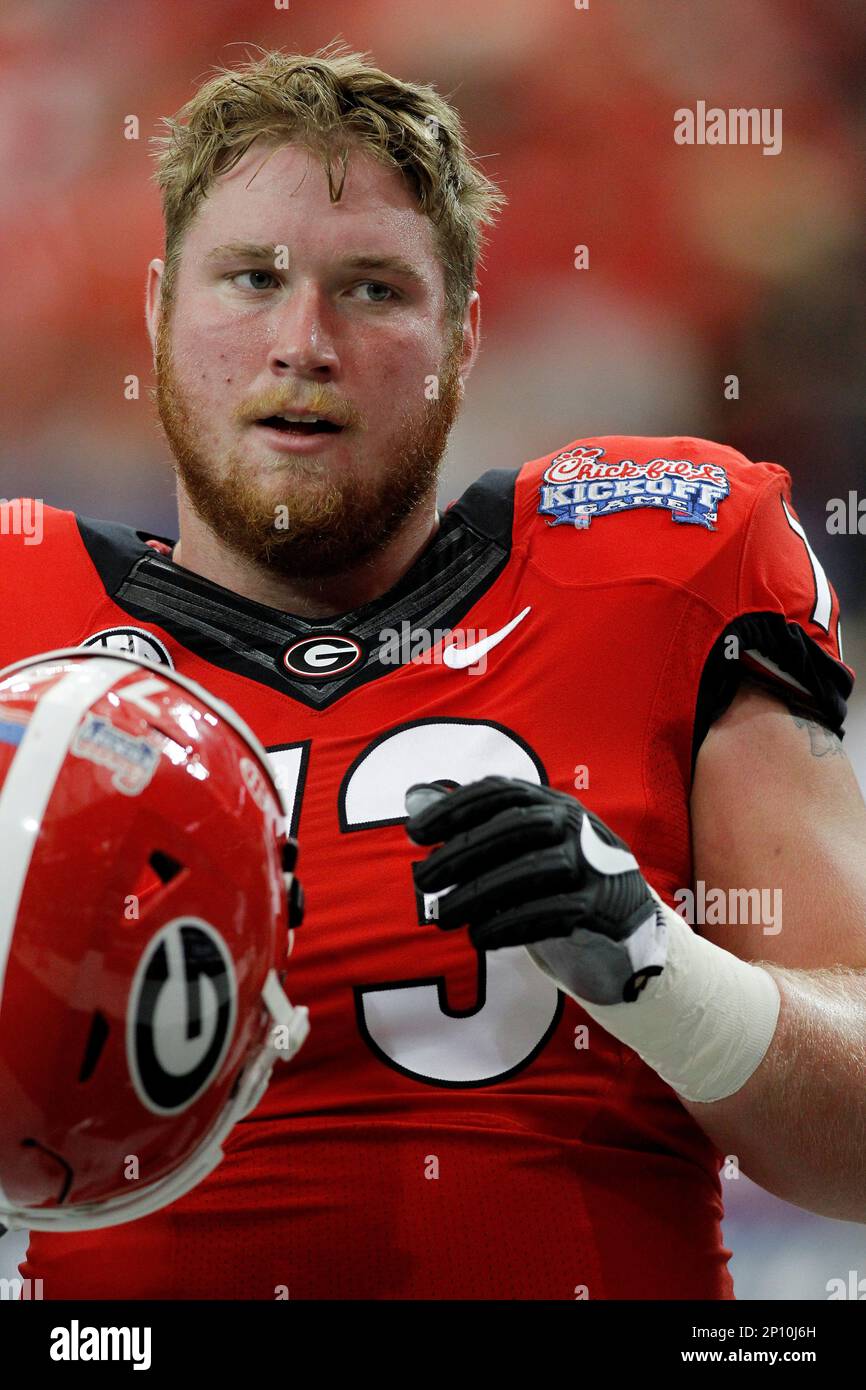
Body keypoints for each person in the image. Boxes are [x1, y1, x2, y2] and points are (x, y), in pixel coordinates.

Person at [5, 43, 865, 1300]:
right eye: (250, 280)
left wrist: (659, 968)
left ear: (462, 334)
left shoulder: (659, 560)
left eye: (370, 291)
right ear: (154, 311)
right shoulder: (26, 628)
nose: (303, 341)